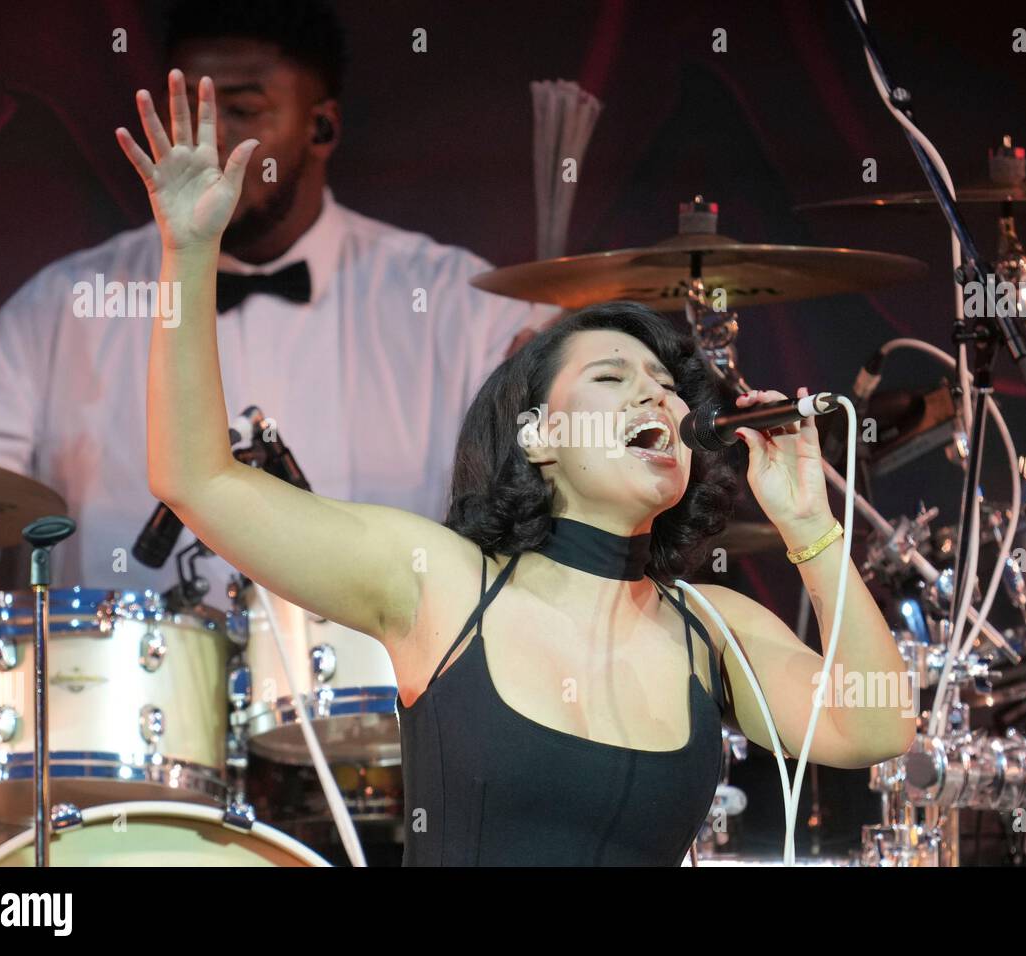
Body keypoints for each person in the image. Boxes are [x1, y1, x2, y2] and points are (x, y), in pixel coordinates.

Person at [118, 69, 916, 866]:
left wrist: (809, 523)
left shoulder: (715, 628)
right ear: (538, 436)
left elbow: (873, 726)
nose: (658, 400)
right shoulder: (441, 584)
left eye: (669, 389)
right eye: (613, 378)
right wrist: (188, 251)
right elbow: (197, 478)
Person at [0, 0, 554, 603]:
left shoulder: (451, 301)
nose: (207, 142)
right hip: (121, 697)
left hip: (387, 706)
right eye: (189, 110)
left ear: (322, 127)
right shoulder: (63, 308)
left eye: (242, 111)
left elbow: (564, 461)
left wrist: (567, 381)